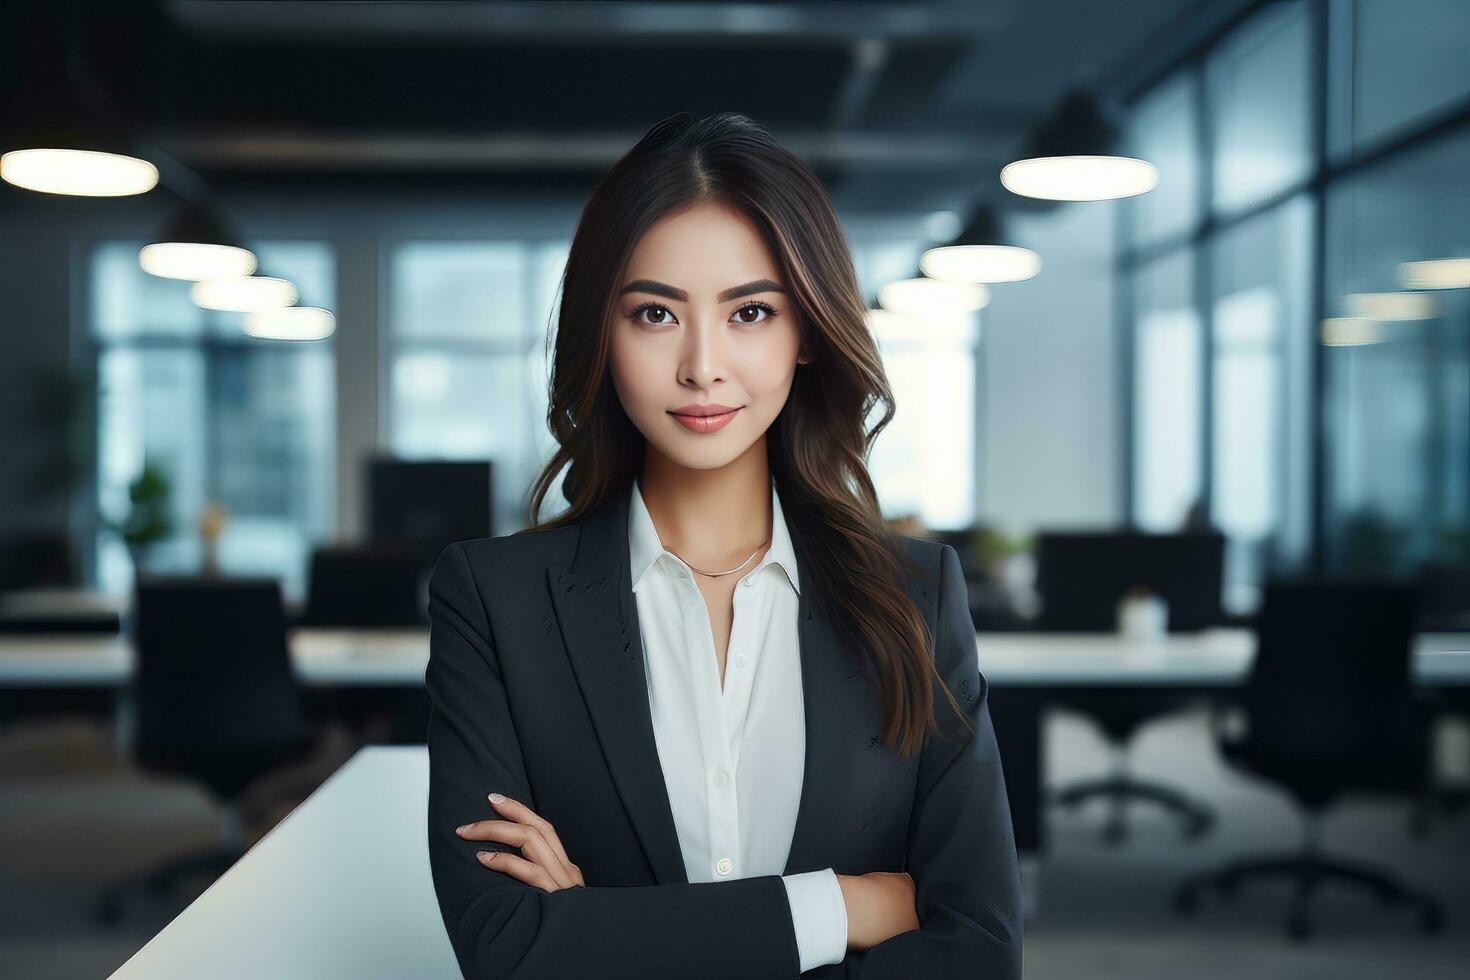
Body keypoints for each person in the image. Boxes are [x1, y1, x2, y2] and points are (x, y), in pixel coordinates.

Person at [425, 111, 1022, 979]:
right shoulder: (494, 599)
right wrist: (842, 906)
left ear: (807, 331)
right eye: (656, 314)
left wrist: (601, 928)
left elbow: (980, 952)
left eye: (749, 311)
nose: (702, 366)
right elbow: (507, 952)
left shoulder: (917, 595)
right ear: (603, 331)